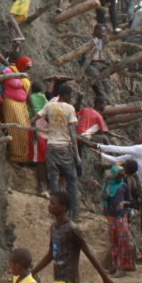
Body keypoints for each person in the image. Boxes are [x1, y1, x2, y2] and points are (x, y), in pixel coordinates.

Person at [31, 191, 116, 283]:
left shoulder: (72, 229)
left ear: (62, 208)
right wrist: (32, 272)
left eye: (52, 203)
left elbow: (88, 253)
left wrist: (104, 278)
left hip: (66, 282)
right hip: (61, 280)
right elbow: (51, 254)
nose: (49, 205)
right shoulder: (54, 227)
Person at [40, 83, 81, 221]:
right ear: (65, 95)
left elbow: (40, 118)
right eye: (70, 95)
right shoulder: (69, 108)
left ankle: (56, 212)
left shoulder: (49, 105)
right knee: (72, 181)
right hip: (65, 149)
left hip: (52, 147)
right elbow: (72, 133)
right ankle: (74, 214)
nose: (71, 98)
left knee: (53, 179)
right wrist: (77, 155)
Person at [103, 162, 137, 275]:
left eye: (121, 177)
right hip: (111, 216)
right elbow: (105, 196)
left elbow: (131, 201)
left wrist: (123, 203)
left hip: (121, 216)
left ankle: (124, 266)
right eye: (119, 176)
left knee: (124, 241)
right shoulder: (109, 186)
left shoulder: (123, 186)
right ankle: (115, 265)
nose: (120, 179)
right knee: (114, 241)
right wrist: (106, 183)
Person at [0, 57, 33, 164]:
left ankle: (24, 156)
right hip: (11, 103)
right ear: (20, 64)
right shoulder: (9, 71)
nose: (27, 70)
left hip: (22, 105)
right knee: (17, 129)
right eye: (26, 67)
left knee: (26, 129)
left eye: (28, 68)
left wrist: (32, 106)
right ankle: (16, 157)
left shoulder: (24, 75)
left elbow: (28, 92)